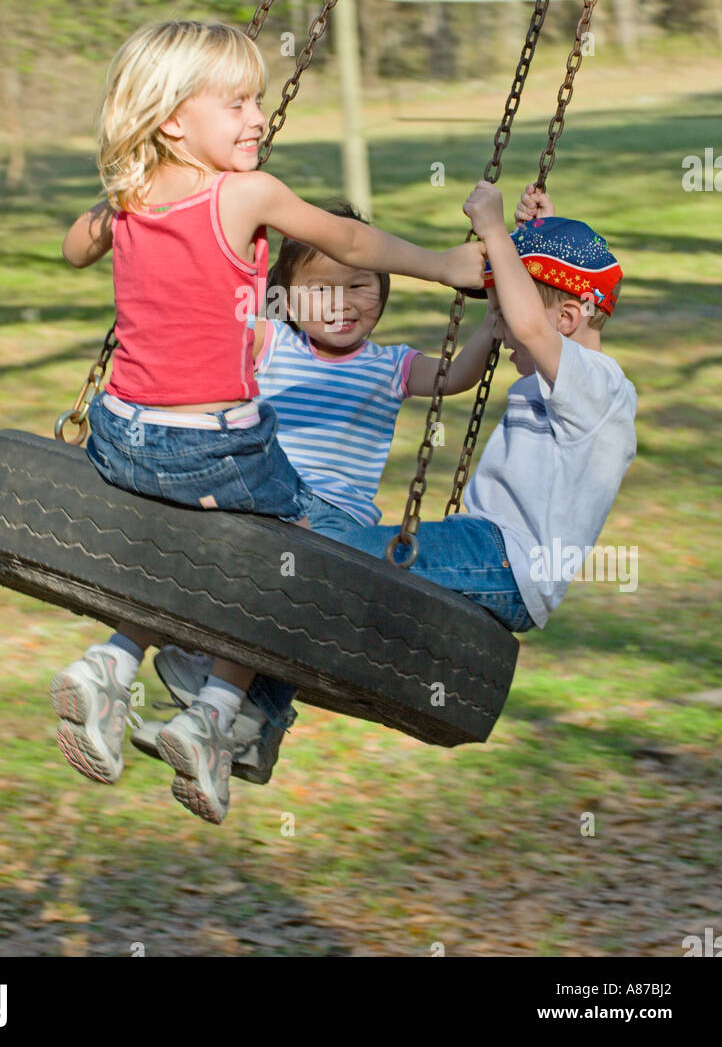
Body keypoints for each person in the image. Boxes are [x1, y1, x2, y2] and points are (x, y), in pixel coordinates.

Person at [50, 18, 485, 824]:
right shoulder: (245, 194)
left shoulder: (132, 197)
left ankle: (111, 663)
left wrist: (115, 206)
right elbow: (348, 236)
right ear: (175, 118)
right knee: (295, 550)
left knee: (177, 535)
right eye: (238, 102)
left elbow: (77, 249)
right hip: (208, 443)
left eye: (258, 101)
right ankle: (216, 713)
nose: (257, 117)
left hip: (121, 436)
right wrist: (446, 266)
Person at [138, 181, 637, 783]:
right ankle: (247, 721)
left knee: (314, 556)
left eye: (506, 314)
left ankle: (223, 692)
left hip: (504, 562)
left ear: (568, 318)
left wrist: (496, 230)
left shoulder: (601, 386)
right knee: (318, 570)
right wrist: (540, 234)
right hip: (483, 550)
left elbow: (534, 326)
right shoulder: (570, 377)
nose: (501, 330)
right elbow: (544, 310)